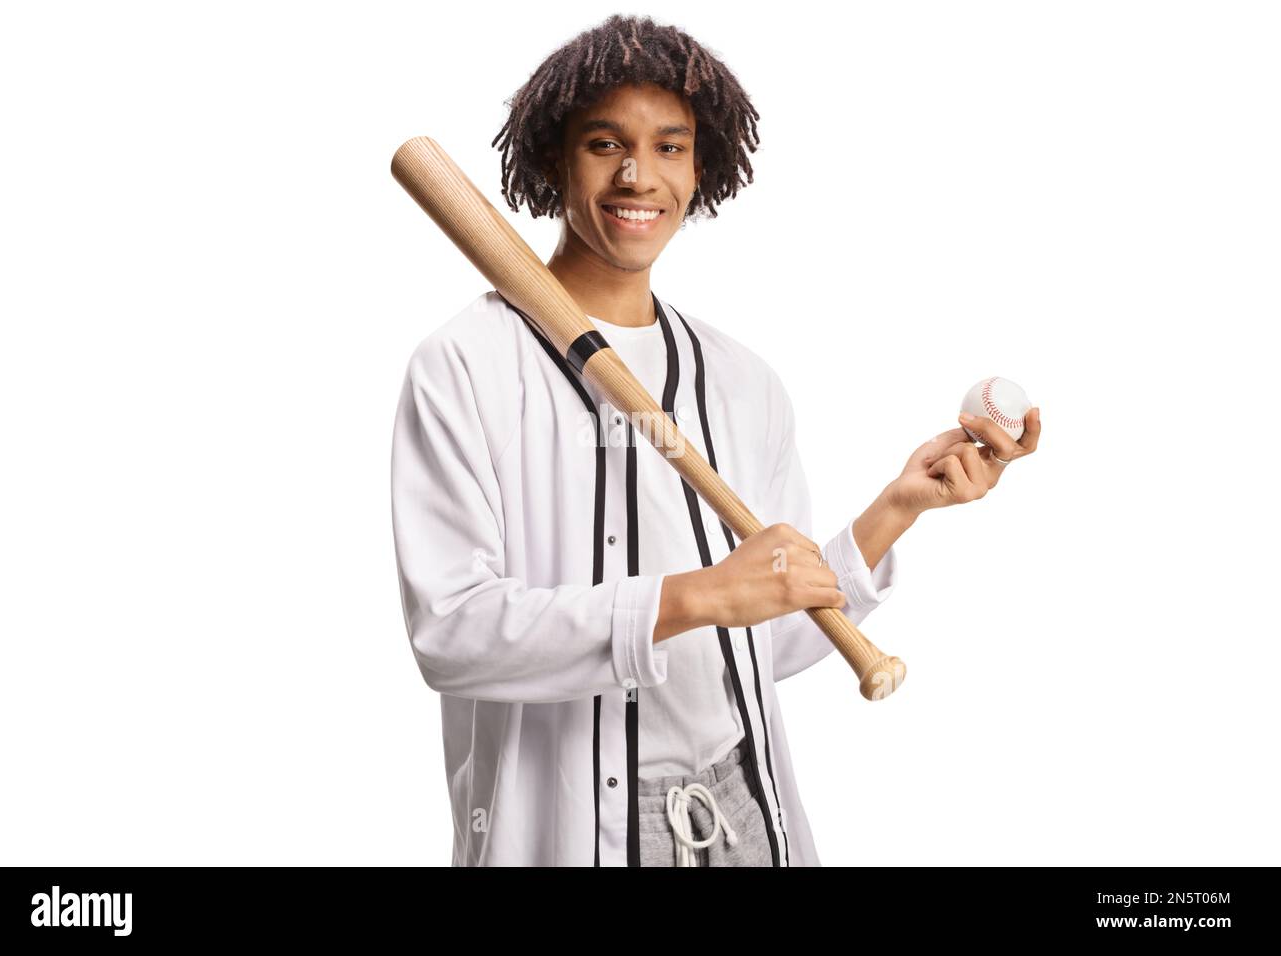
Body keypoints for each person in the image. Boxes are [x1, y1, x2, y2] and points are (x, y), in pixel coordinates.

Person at [390, 14, 1041, 867]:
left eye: (669, 146)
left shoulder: (742, 380)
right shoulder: (465, 365)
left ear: (701, 168)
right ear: (556, 158)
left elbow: (762, 642)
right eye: (603, 144)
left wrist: (897, 507)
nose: (637, 176)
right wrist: (695, 596)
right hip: (573, 831)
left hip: (744, 812)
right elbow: (453, 634)